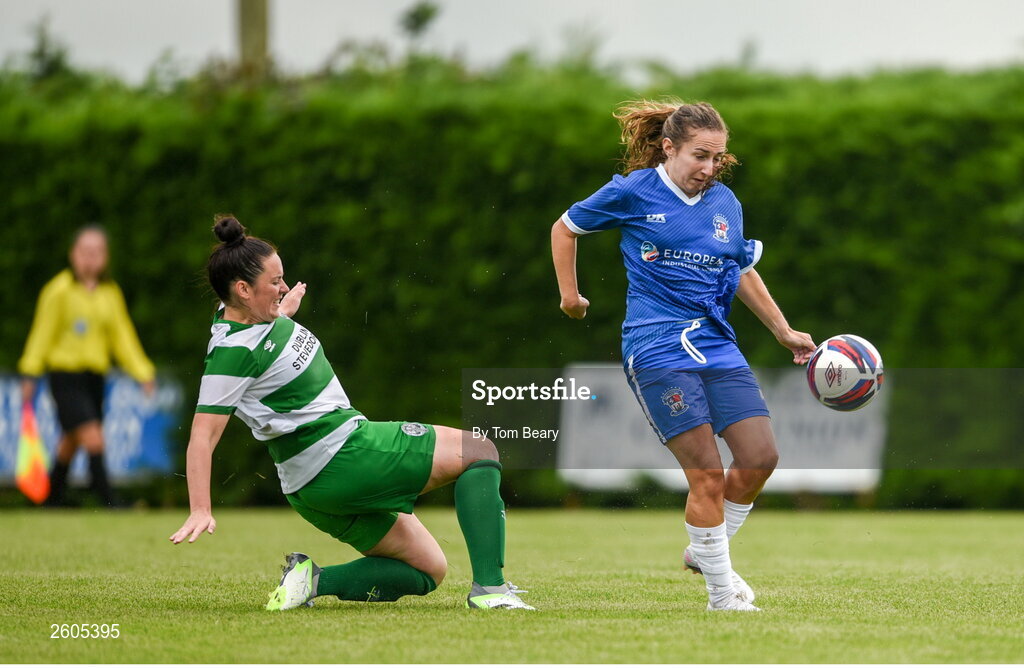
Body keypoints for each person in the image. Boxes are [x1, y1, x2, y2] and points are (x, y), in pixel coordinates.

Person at [170, 216, 533, 611]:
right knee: (479, 451)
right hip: (342, 454)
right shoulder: (231, 353)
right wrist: (200, 508)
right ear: (242, 289)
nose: (284, 287)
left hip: (311, 485)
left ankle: (311, 580)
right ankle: (491, 591)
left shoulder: (252, 320)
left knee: (428, 569)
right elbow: (203, 435)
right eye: (275, 282)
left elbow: (262, 351)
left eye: (283, 278)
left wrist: (281, 311)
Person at [550, 100, 815, 611]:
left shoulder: (724, 203)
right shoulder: (632, 191)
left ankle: (704, 550)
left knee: (762, 457)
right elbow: (565, 227)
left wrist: (783, 329)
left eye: (718, 158)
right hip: (656, 346)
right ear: (668, 148)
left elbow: (738, 269)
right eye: (700, 156)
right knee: (707, 475)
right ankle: (722, 595)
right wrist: (570, 295)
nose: (709, 168)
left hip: (716, 343)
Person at [19, 225, 156, 507]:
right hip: (65, 376)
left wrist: (143, 372)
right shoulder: (58, 291)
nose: (90, 258)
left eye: (97, 252)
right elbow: (41, 334)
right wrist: (30, 371)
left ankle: (50, 500)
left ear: (105, 257)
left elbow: (123, 338)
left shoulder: (110, 293)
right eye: (85, 252)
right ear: (73, 254)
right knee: (93, 436)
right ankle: (108, 499)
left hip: (95, 377)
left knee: (71, 439)